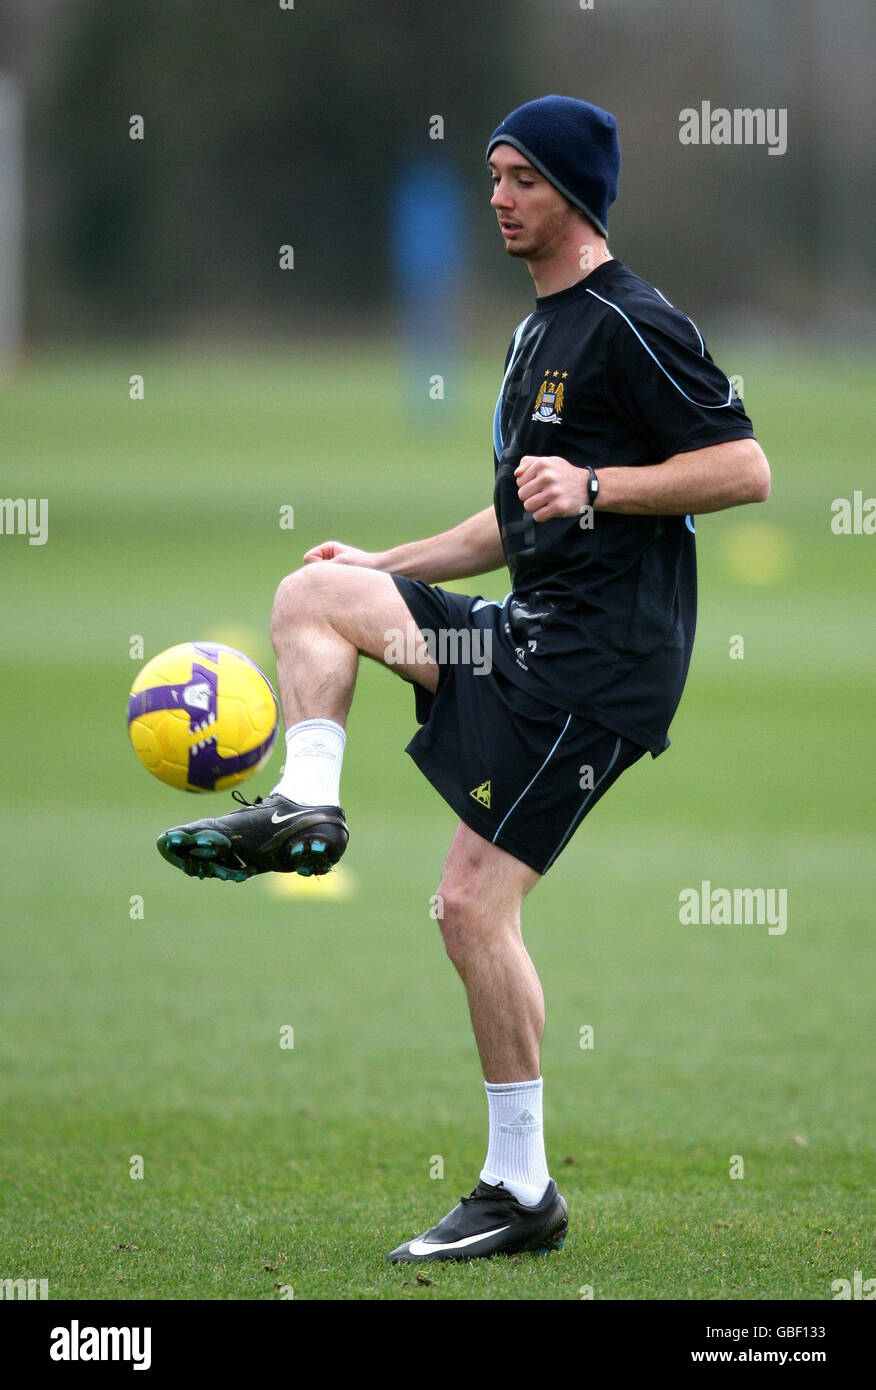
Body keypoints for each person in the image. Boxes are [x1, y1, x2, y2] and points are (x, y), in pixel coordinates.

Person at [157, 95, 770, 1263]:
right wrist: (376, 564)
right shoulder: (532, 335)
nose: (498, 196)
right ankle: (310, 805)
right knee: (310, 597)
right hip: (521, 635)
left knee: (472, 905)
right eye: (492, 175)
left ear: (576, 193)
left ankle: (520, 1187)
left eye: (521, 178)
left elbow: (745, 468)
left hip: (598, 669)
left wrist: (599, 487)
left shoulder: (632, 321)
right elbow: (509, 522)